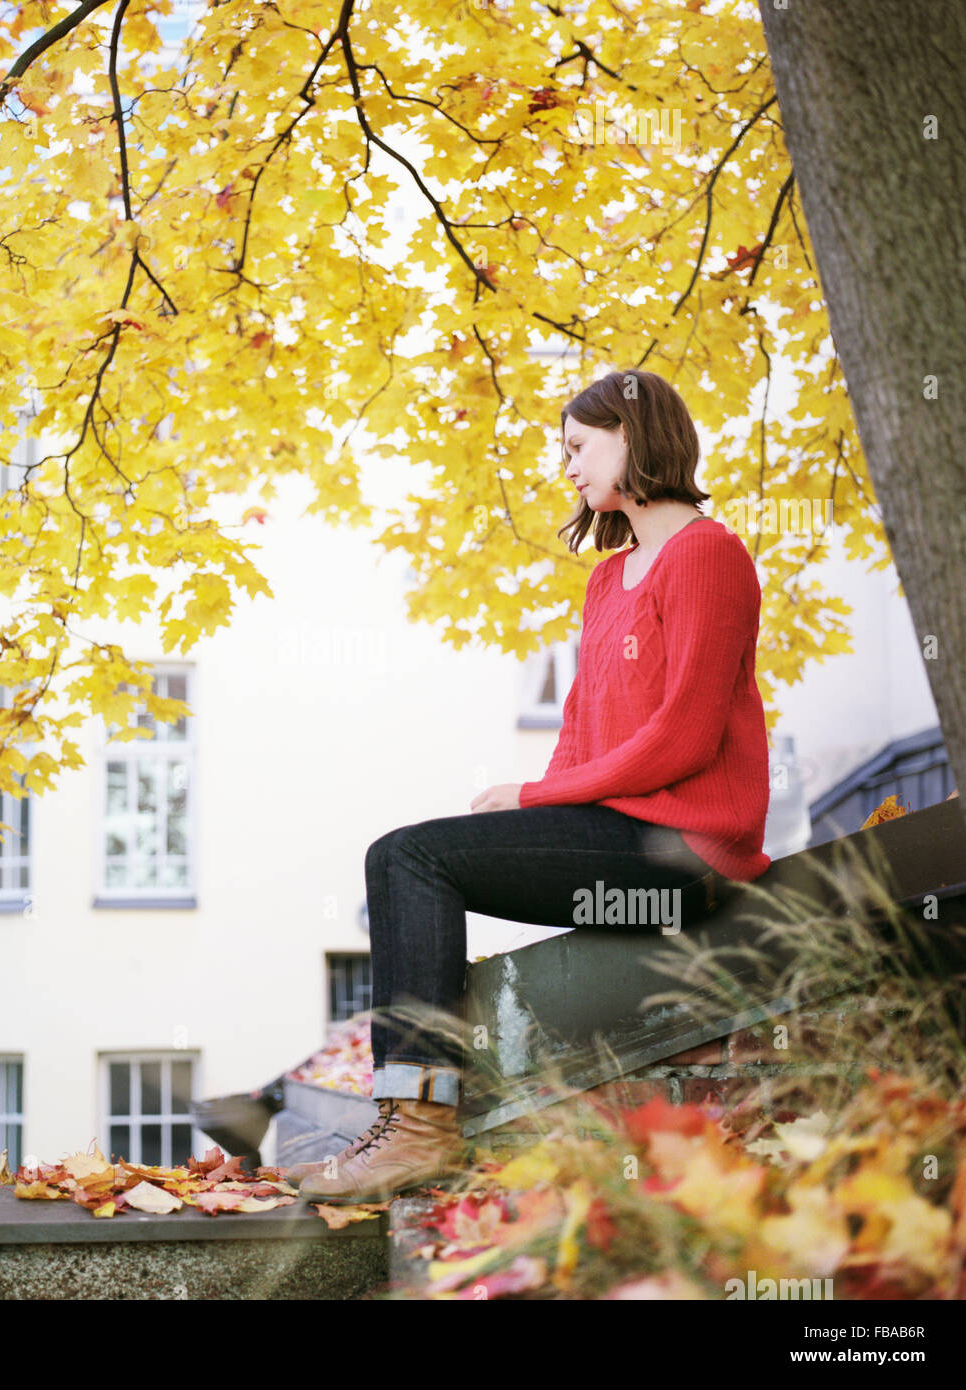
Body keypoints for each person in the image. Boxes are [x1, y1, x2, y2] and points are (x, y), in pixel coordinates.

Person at [294, 368, 772, 1204]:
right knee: (410, 858)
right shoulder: (607, 579)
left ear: (634, 433)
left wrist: (534, 800)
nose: (570, 468)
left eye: (580, 447)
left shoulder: (708, 555)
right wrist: (533, 816)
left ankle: (417, 1126)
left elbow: (684, 737)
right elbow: (583, 730)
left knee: (410, 859)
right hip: (619, 839)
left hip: (684, 854)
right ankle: (407, 1118)